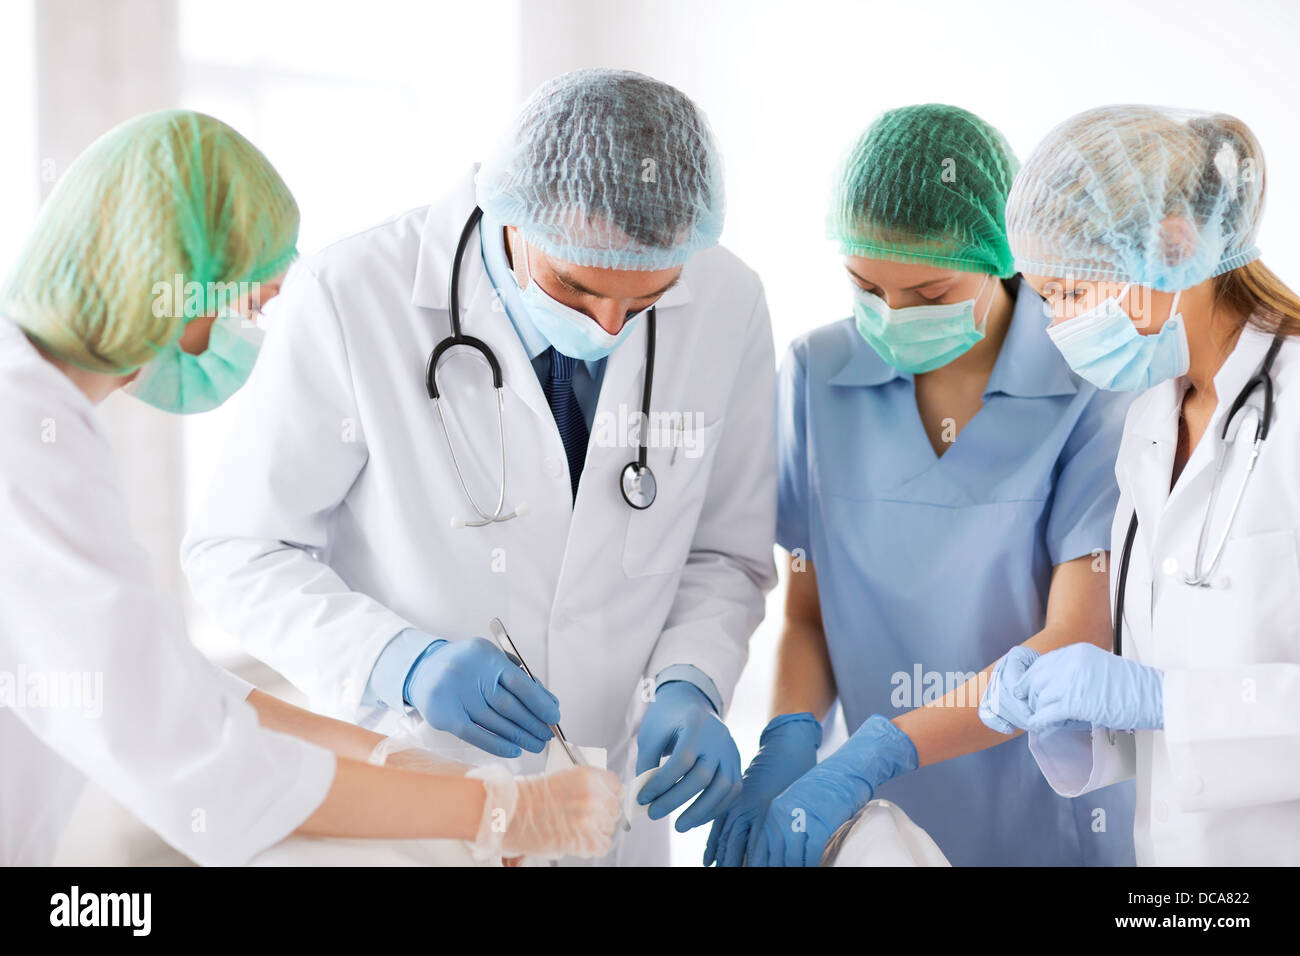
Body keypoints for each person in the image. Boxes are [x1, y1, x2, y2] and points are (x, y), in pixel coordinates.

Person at [180, 69, 778, 866]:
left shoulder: (728, 300)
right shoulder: (355, 295)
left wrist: (692, 679)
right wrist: (400, 660)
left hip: (612, 808)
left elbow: (722, 553)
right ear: (511, 214)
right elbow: (238, 553)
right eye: (576, 286)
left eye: (643, 305)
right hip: (420, 797)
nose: (607, 326)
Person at [0, 109, 621, 866]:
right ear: (166, 285)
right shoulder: (24, 436)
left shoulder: (40, 416)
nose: (241, 342)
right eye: (246, 308)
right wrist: (492, 810)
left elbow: (173, 687)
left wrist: (395, 763)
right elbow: (191, 760)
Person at [710, 104, 1136, 867]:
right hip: (874, 822)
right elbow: (808, 613)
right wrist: (789, 743)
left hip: (1043, 812)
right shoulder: (818, 376)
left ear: (1003, 255)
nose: (892, 316)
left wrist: (885, 747)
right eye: (865, 288)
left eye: (931, 295)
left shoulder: (1089, 386)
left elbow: (1077, 637)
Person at [983, 105, 1300, 865]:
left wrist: (1160, 699)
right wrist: (1080, 723)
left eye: (1069, 292)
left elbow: (1182, 698)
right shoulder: (1151, 418)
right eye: (1045, 298)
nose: (1057, 325)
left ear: (1174, 244)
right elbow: (1171, 686)